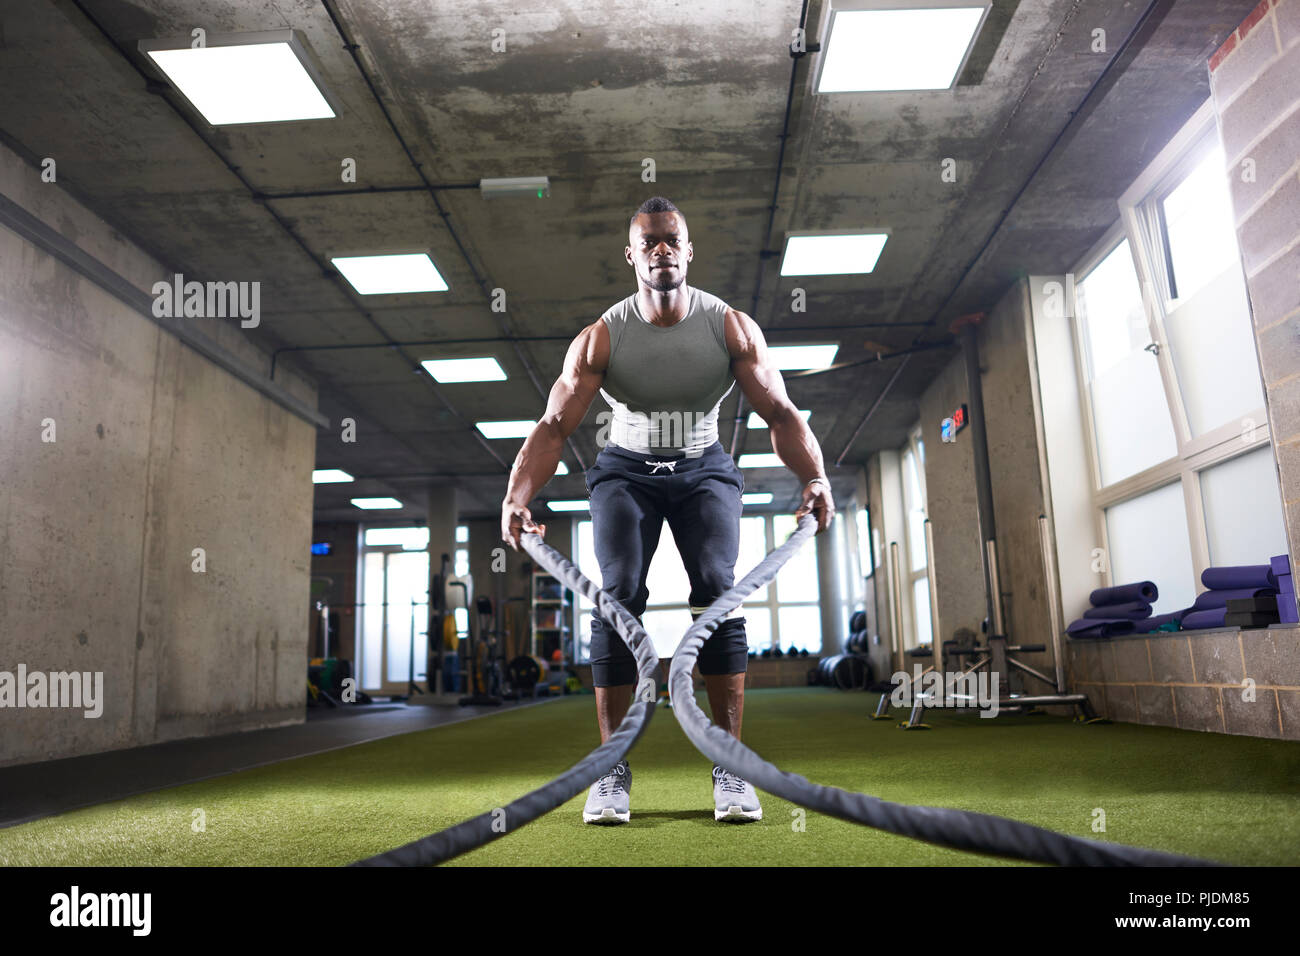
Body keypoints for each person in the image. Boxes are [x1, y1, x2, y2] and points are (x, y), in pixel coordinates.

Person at [501, 196, 834, 824]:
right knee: (619, 594)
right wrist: (517, 498)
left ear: (688, 250)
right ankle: (610, 772)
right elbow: (553, 423)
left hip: (704, 466)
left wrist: (815, 478)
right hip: (625, 469)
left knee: (717, 591)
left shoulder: (729, 326)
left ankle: (731, 768)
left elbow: (783, 414)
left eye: (671, 239)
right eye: (648, 241)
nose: (661, 249)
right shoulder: (602, 335)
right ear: (631, 255)